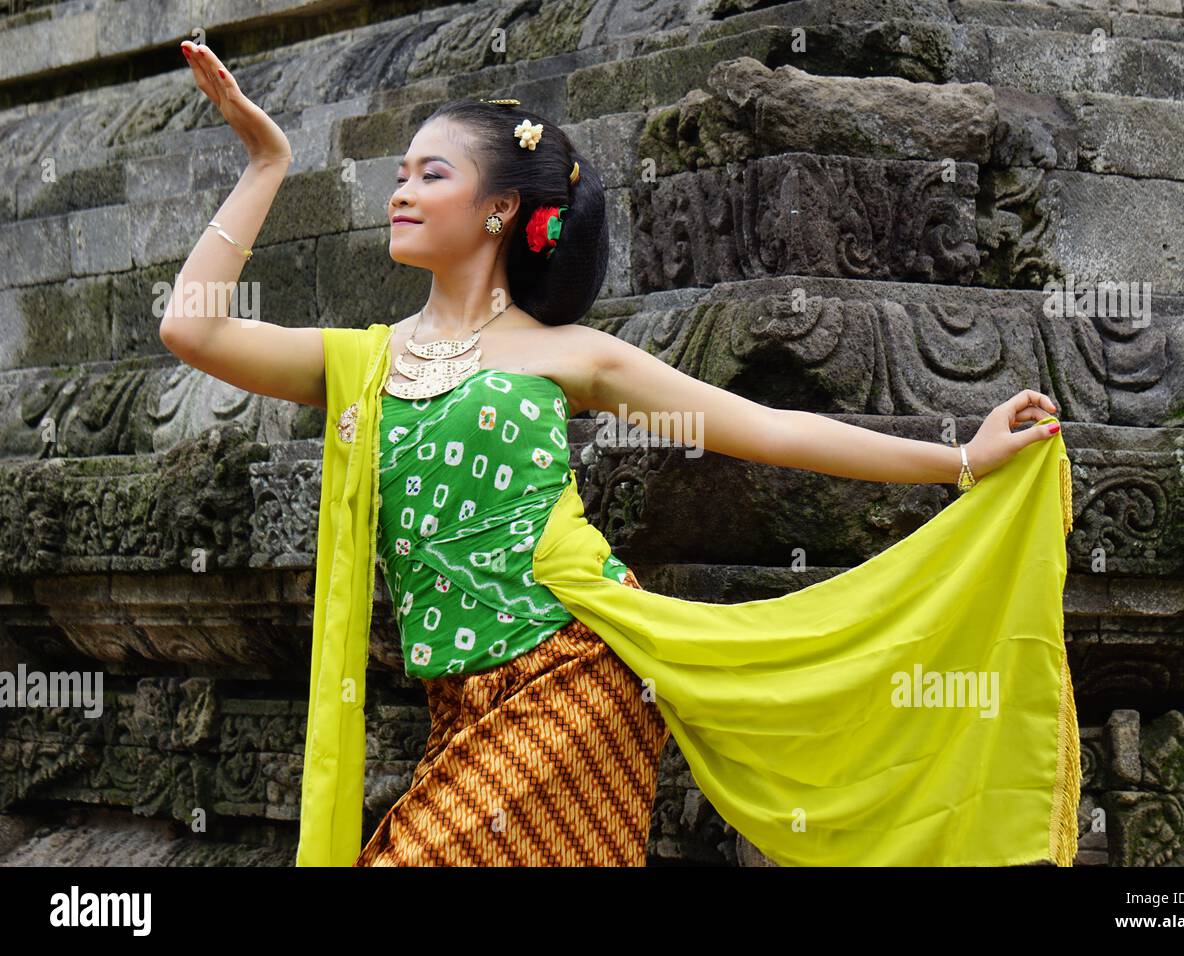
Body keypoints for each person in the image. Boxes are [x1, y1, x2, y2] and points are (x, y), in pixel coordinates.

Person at [160, 41, 1078, 868]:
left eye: (430, 174)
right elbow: (191, 329)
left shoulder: (570, 356)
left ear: (499, 209)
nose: (399, 192)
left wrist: (961, 459)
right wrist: (266, 162)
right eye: (399, 174)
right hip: (458, 713)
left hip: (576, 674)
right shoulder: (362, 361)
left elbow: (770, 428)